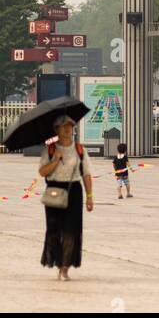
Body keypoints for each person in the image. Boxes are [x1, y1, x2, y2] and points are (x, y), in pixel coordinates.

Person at [38, 113, 94, 281]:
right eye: (64, 126)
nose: (68, 128)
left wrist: (90, 196)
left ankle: (64, 268)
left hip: (74, 191)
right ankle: (58, 261)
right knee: (54, 231)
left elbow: (86, 174)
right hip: (54, 190)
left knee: (71, 231)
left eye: (70, 125)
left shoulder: (79, 150)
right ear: (57, 129)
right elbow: (42, 172)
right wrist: (55, 160)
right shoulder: (50, 149)